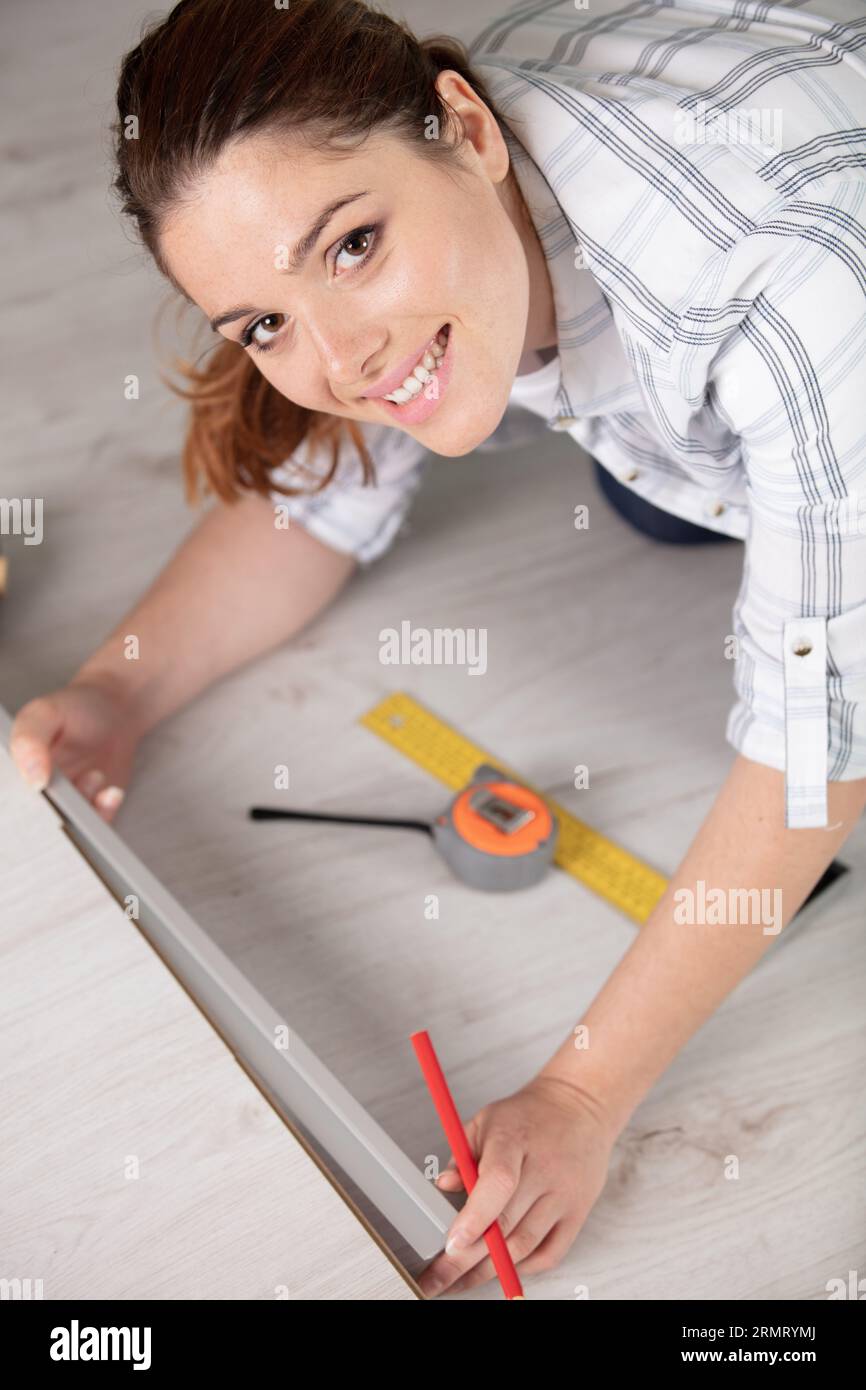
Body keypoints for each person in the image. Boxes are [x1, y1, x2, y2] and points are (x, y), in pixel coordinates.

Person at [9, 0, 866, 1297]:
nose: (339, 359)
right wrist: (119, 687)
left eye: (352, 246)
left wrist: (580, 1091)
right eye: (262, 324)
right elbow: (316, 496)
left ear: (465, 131)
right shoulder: (447, 150)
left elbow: (817, 753)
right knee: (635, 473)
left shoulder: (787, 302)